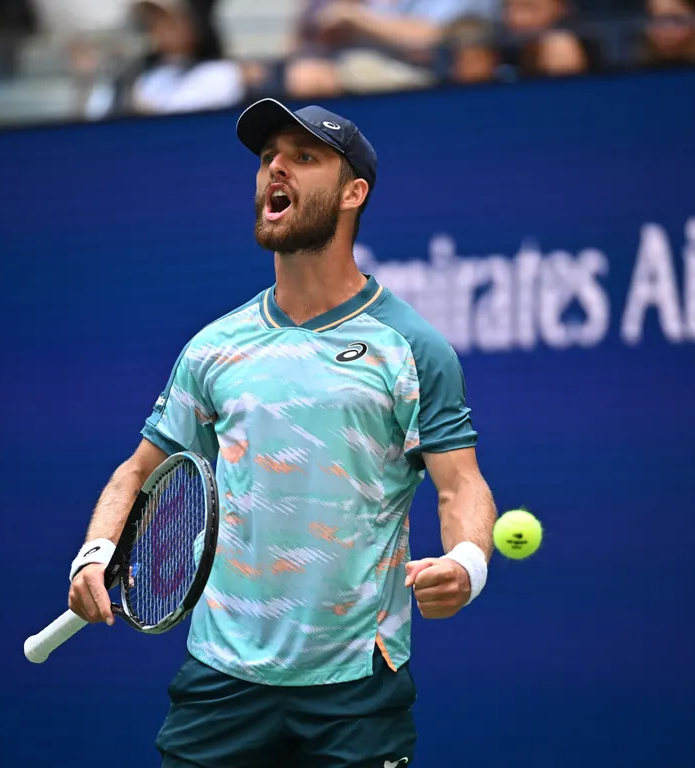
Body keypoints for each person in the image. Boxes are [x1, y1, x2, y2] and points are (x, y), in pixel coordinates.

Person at [66, 97, 499, 767]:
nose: (276, 170)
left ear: (354, 192)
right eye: (268, 158)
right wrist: (94, 553)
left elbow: (459, 484)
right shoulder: (214, 348)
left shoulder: (412, 347)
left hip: (356, 687)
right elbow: (137, 472)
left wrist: (467, 563)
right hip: (221, 682)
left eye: (304, 157)